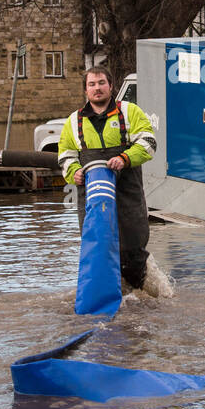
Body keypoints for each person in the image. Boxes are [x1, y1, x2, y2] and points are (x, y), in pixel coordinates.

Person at [58, 66, 156, 290]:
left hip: (128, 197)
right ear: (85, 90)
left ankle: (137, 297)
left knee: (133, 251)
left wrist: (125, 158)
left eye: (101, 83)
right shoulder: (74, 121)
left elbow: (149, 144)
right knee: (97, 249)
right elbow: (65, 156)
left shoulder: (129, 112)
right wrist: (75, 172)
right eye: (91, 84)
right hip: (93, 197)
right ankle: (105, 297)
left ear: (111, 86)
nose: (97, 88)